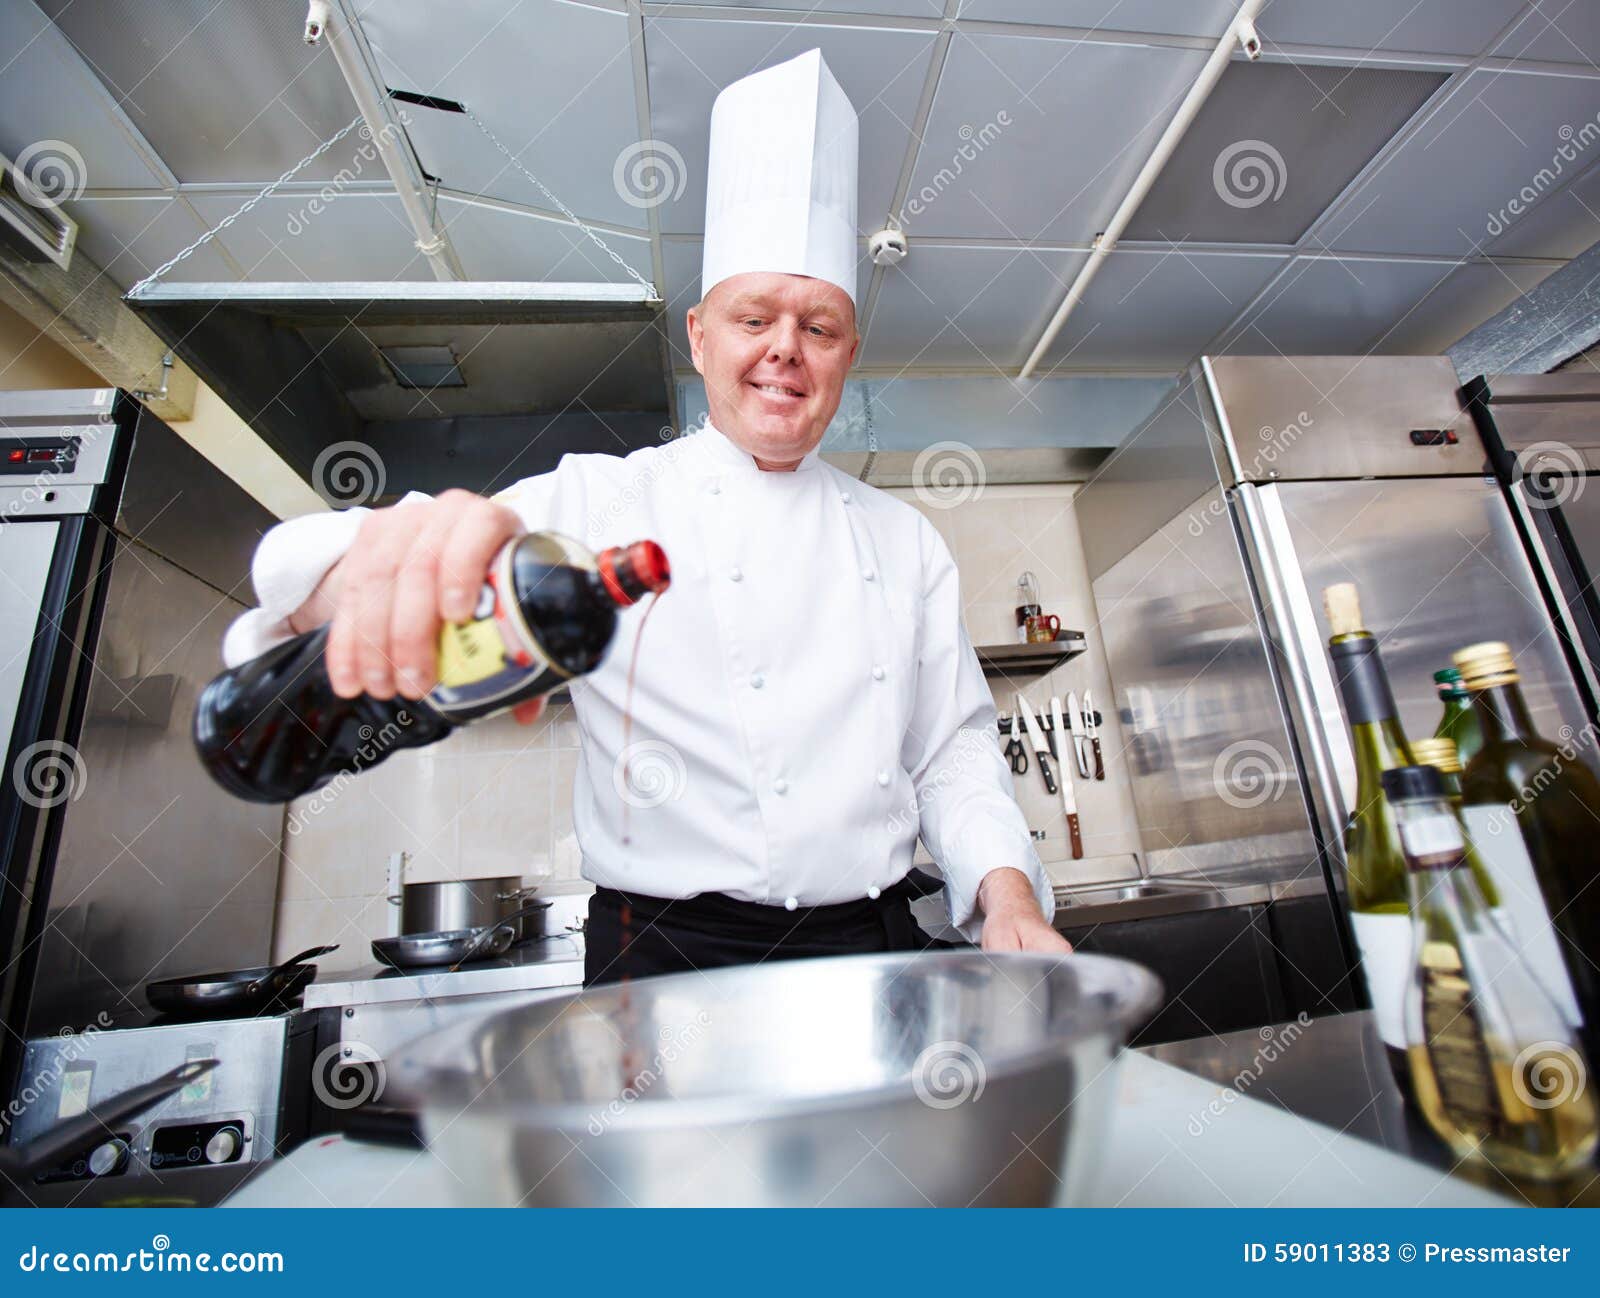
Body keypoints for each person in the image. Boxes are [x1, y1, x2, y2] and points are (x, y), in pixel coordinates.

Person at [222, 49, 1067, 986]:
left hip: (871, 950)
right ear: (700, 337)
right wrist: (359, 577)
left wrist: (1007, 893)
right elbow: (367, 564)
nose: (787, 349)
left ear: (847, 353)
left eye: (819, 328)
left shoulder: (905, 540)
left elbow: (951, 752)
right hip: (663, 958)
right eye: (756, 319)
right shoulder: (595, 499)